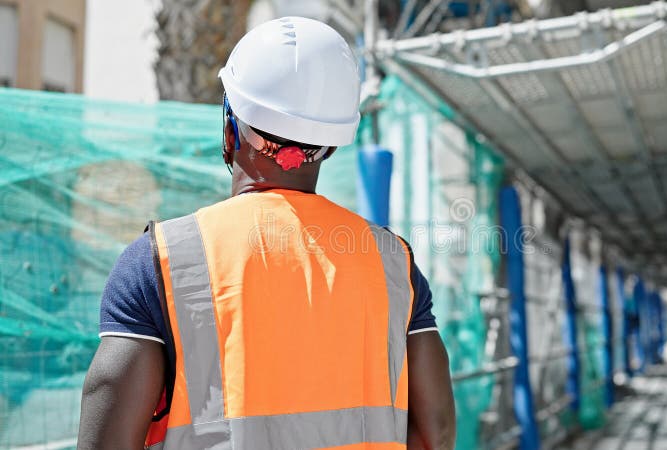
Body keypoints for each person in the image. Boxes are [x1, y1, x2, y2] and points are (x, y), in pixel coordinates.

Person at [78, 17, 455, 450]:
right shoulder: (393, 262)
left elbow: (106, 430)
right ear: (331, 144)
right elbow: (435, 431)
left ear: (229, 125)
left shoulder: (162, 260)